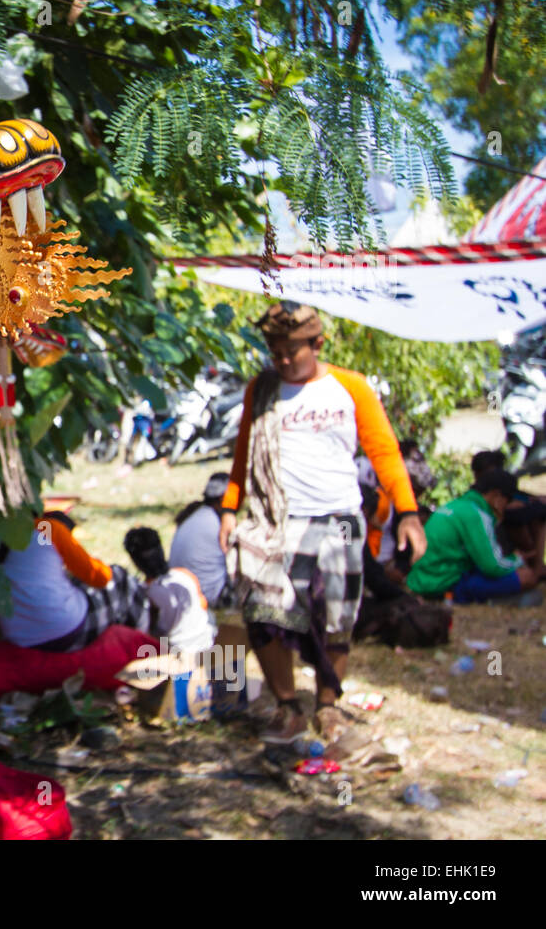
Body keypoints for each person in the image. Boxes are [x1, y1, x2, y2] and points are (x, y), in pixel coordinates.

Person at [219, 302, 426, 746]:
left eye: (292, 350)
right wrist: (229, 508)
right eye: (275, 350)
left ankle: (328, 706)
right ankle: (288, 704)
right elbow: (244, 453)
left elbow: (384, 452)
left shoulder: (349, 387)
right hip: (274, 520)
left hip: (339, 521)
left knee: (336, 617)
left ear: (317, 344)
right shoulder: (262, 389)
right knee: (261, 611)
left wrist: (407, 512)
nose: (283, 359)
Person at [0, 512, 146, 652]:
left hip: (17, 636)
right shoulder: (48, 528)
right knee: (119, 577)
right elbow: (100, 577)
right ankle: (143, 643)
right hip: (64, 631)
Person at [406, 469, 545, 602]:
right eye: (507, 501)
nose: (506, 507)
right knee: (527, 577)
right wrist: (518, 560)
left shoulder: (457, 505)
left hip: (421, 579)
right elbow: (492, 566)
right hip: (443, 584)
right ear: (497, 496)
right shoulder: (477, 515)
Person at [124, 526, 218, 660]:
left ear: (135, 562)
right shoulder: (185, 575)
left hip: (177, 655)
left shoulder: (146, 595)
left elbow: (144, 632)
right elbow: (203, 605)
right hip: (206, 645)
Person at [169, 472, 231, 606]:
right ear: (223, 499)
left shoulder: (194, 516)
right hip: (207, 596)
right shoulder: (218, 524)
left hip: (180, 594)